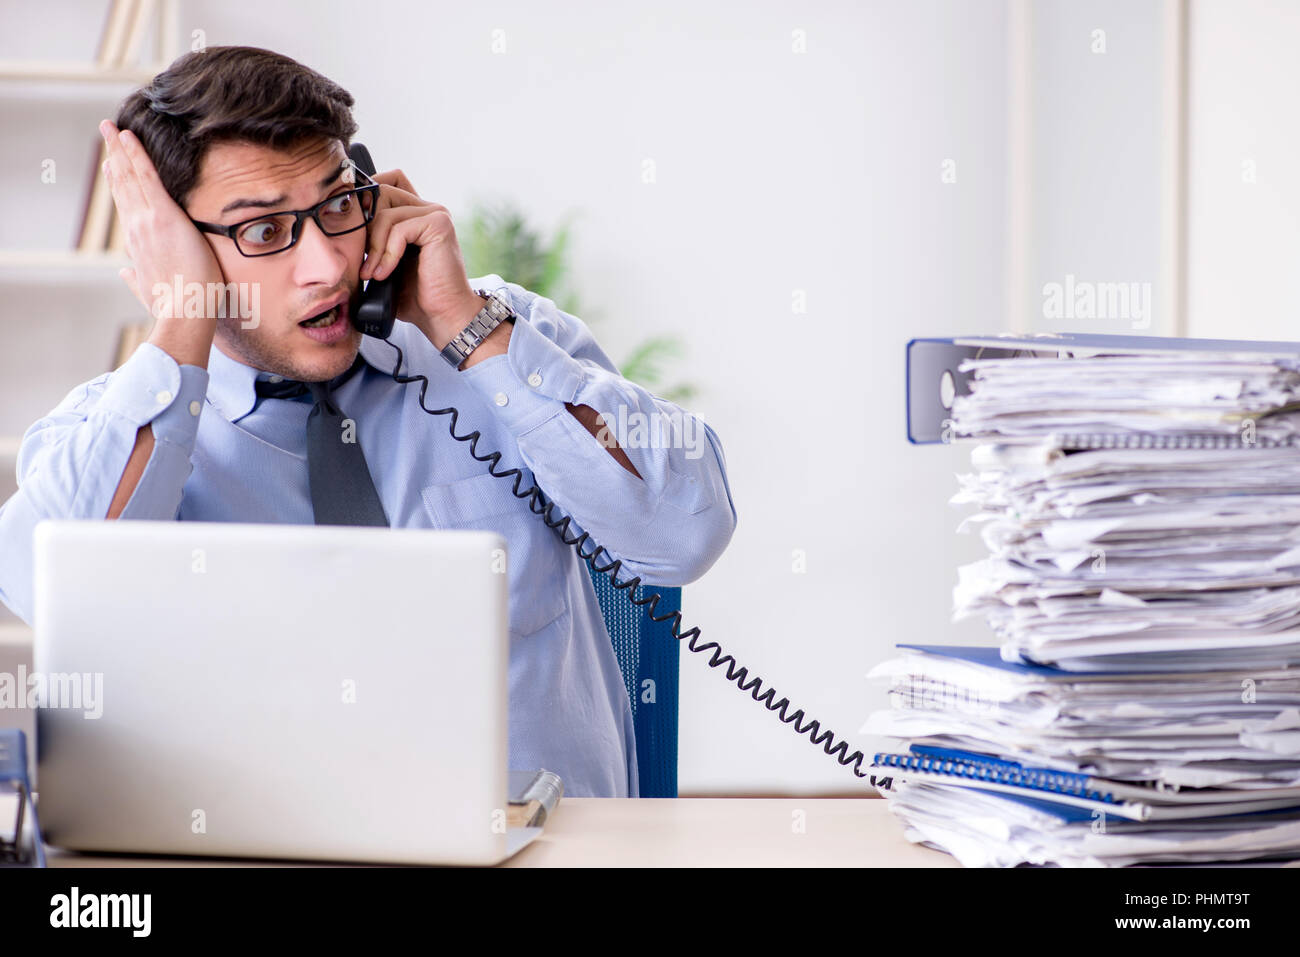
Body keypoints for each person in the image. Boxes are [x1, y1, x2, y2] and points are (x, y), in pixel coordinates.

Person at [0, 46, 736, 798]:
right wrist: (183, 319)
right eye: (262, 233)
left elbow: (686, 534)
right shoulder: (114, 428)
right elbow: (53, 597)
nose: (324, 264)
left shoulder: (498, 337)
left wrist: (466, 327)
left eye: (337, 205)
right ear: (178, 250)